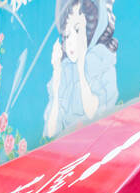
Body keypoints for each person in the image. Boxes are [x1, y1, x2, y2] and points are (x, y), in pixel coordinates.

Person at [44, 0, 118, 139]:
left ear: (91, 28)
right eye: (66, 35)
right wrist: (57, 74)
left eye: (77, 30)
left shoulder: (102, 60)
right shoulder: (64, 73)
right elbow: (51, 131)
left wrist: (81, 68)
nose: (70, 42)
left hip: (106, 140)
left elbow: (93, 114)